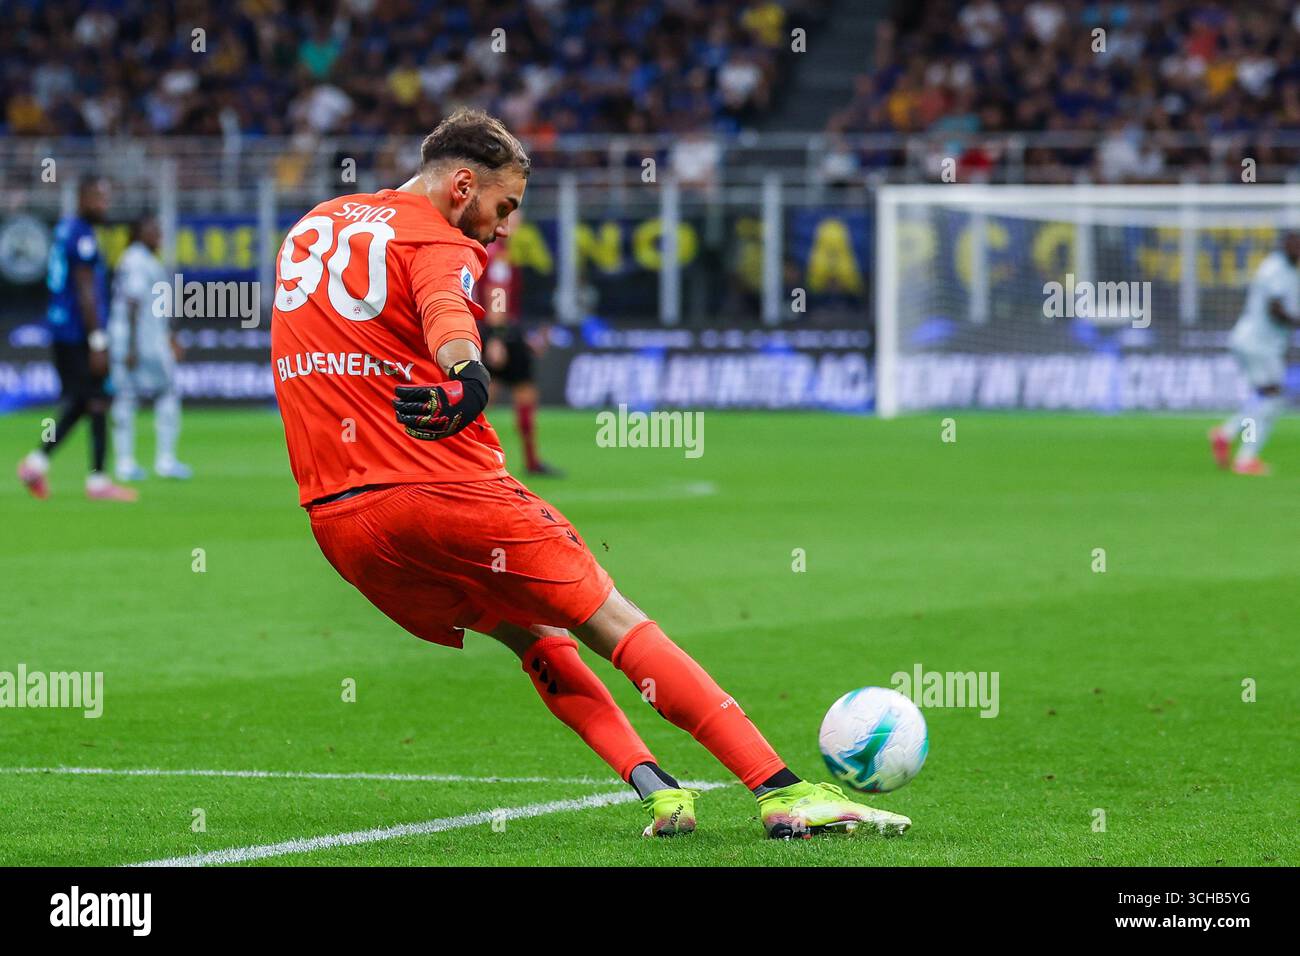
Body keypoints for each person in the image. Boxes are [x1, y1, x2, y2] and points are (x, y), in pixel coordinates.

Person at [270, 108, 910, 839]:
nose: (504, 227)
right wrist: (471, 379)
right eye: (503, 206)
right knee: (615, 621)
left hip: (343, 524)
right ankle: (782, 790)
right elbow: (449, 313)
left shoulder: (313, 227)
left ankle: (658, 789)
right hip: (445, 491)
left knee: (530, 633)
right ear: (461, 184)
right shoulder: (437, 238)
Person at [17, 176, 137, 502]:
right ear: (82, 198)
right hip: (78, 333)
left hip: (62, 329)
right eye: (99, 198)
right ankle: (96, 481)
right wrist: (97, 340)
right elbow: (85, 290)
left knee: (85, 401)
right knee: (95, 399)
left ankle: (36, 464)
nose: (104, 205)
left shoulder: (64, 229)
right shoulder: (82, 236)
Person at [1209, 231, 1300, 475]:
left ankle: (1226, 434)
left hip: (1257, 342)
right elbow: (1275, 310)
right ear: (1285, 246)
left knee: (1264, 398)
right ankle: (1244, 457)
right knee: (1271, 398)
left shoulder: (1289, 271)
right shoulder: (1275, 270)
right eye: (1294, 244)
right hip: (1257, 344)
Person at [109, 214, 192, 481]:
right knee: (165, 393)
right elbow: (132, 304)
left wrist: (170, 335)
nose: (158, 235)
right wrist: (132, 347)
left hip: (140, 338)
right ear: (138, 232)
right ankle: (164, 460)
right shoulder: (137, 261)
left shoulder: (137, 260)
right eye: (152, 230)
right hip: (141, 341)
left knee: (126, 397)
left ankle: (126, 462)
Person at [477, 234, 562, 476]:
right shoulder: (499, 256)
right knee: (522, 393)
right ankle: (531, 461)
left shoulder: (487, 253)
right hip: (503, 335)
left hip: (498, 332)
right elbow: (498, 296)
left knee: (483, 399)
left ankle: (459, 456)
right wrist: (498, 337)